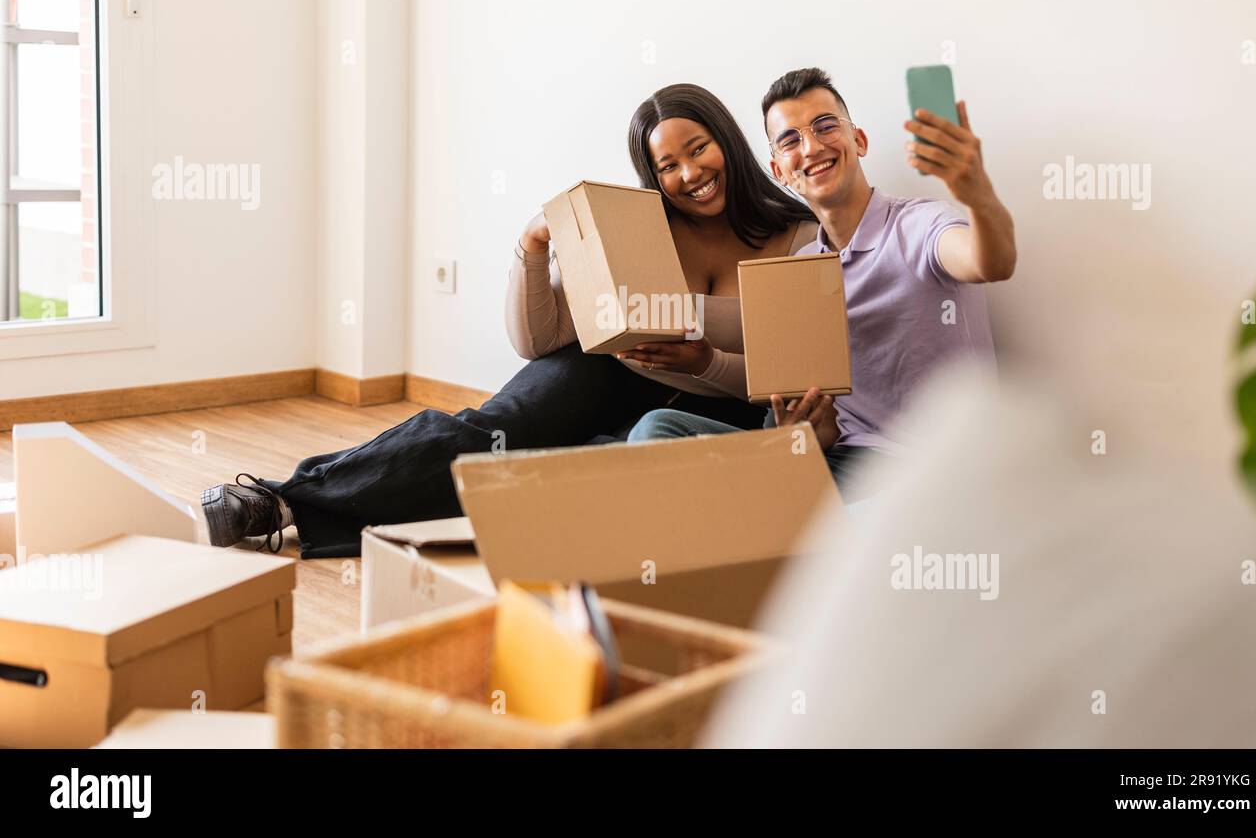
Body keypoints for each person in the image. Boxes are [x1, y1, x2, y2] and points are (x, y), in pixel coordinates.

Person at [200, 84, 818, 558]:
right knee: (491, 431)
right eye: (667, 165)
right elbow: (537, 340)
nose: (689, 174)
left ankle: (309, 508)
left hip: (719, 403)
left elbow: (792, 374)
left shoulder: (800, 238)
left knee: (540, 482)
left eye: (698, 149)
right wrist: (532, 246)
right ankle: (280, 501)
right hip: (613, 373)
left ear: (727, 142)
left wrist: (704, 361)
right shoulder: (639, 229)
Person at [628, 67, 1017, 493]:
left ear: (859, 141)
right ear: (779, 169)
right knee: (657, 432)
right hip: (840, 464)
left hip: (925, 470)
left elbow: (989, 262)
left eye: (825, 126)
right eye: (791, 140)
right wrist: (804, 429)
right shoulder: (801, 268)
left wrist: (976, 193)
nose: (811, 146)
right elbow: (818, 418)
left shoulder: (919, 225)